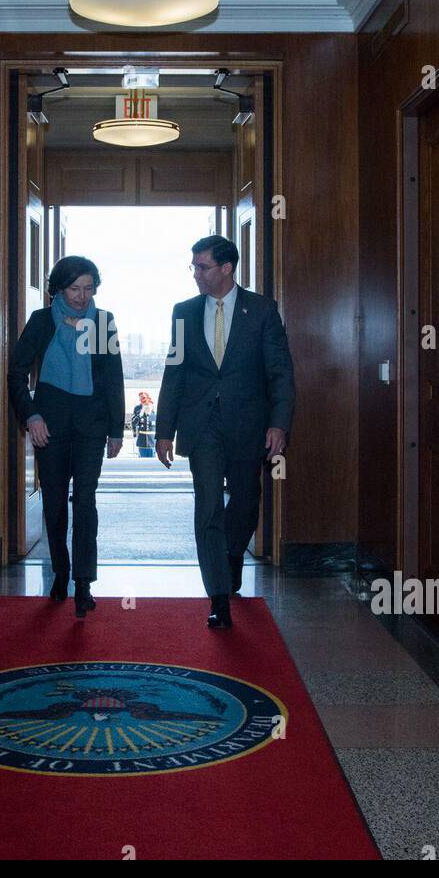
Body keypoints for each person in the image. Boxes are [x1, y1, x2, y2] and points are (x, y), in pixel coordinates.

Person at [155, 235, 295, 629]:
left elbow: (280, 373)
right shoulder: (183, 312)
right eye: (194, 266)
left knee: (247, 502)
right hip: (202, 424)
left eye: (202, 266)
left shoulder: (263, 311)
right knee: (208, 506)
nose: (196, 273)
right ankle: (218, 594)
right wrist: (164, 429)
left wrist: (279, 423)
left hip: (249, 423)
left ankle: (232, 555)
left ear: (227, 268)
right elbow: (174, 370)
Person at [7, 256, 124, 617]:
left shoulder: (104, 323)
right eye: (75, 288)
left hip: (92, 424)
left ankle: (85, 583)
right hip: (50, 423)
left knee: (85, 501)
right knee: (55, 503)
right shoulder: (42, 321)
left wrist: (117, 430)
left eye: (89, 289)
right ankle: (61, 572)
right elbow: (16, 373)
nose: (81, 296)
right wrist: (32, 416)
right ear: (58, 288)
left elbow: (113, 378)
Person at [131, 391, 157, 457]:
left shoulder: (154, 415)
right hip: (142, 442)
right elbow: (134, 423)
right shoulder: (138, 411)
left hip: (152, 442)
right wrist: (134, 434)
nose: (147, 406)